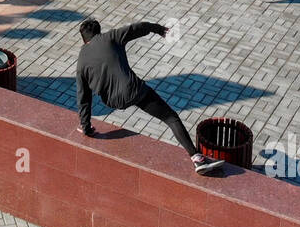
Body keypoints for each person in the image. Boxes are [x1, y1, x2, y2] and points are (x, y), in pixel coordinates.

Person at [75, 18, 224, 174]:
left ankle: (197, 158)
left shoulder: (81, 62)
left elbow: (83, 97)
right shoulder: (110, 37)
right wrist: (159, 29)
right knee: (170, 117)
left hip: (112, 101)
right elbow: (137, 27)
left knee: (131, 99)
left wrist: (86, 127)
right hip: (134, 91)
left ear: (84, 39)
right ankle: (197, 158)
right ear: (99, 31)